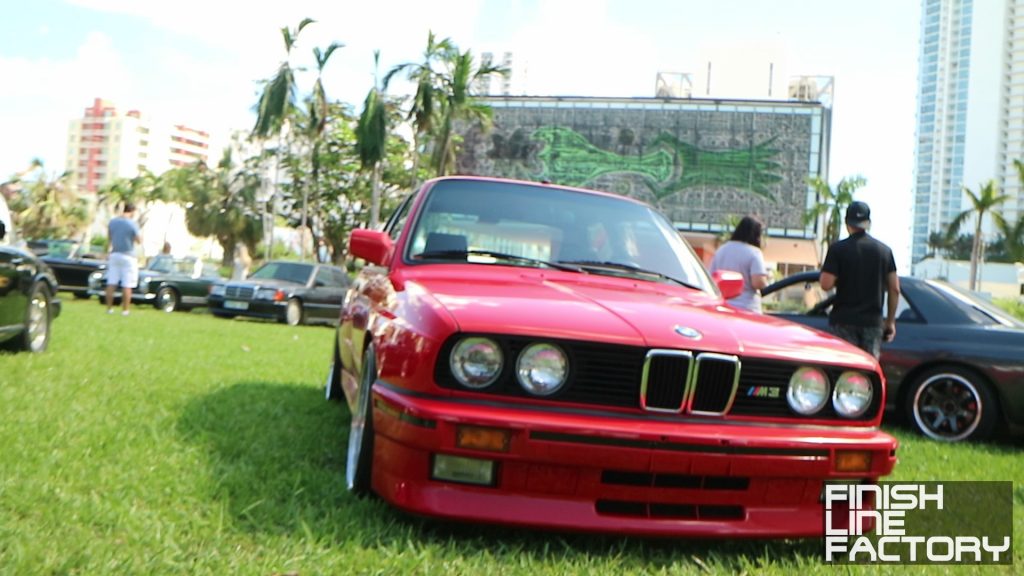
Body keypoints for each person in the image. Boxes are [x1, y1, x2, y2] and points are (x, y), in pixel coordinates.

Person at [819, 201, 900, 359]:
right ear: (868, 223)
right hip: (872, 322)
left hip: (843, 321)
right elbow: (894, 289)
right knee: (868, 369)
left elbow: (825, 284)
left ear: (847, 223)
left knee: (845, 368)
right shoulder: (884, 251)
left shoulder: (838, 249)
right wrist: (890, 322)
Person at [709, 215, 769, 313]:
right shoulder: (754, 252)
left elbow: (712, 278)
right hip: (747, 307)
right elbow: (758, 282)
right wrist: (766, 280)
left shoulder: (721, 250)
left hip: (723, 306)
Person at [105, 203, 142, 316]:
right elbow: (139, 240)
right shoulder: (132, 224)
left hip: (115, 254)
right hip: (128, 255)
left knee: (111, 282)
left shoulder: (113, 222)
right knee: (127, 284)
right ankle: (125, 310)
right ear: (132, 211)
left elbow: (110, 237)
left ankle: (109, 309)